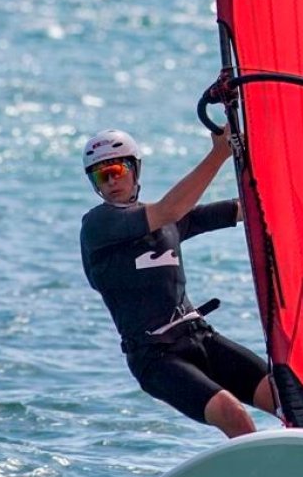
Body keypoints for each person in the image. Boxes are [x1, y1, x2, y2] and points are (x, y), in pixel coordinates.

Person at [79, 125, 276, 437]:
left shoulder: (169, 223)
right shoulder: (98, 226)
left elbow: (245, 208)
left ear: (134, 169)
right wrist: (218, 154)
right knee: (231, 412)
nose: (112, 181)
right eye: (101, 176)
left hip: (200, 337)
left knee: (286, 395)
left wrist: (279, 173)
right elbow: (170, 209)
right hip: (156, 359)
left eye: (116, 170)